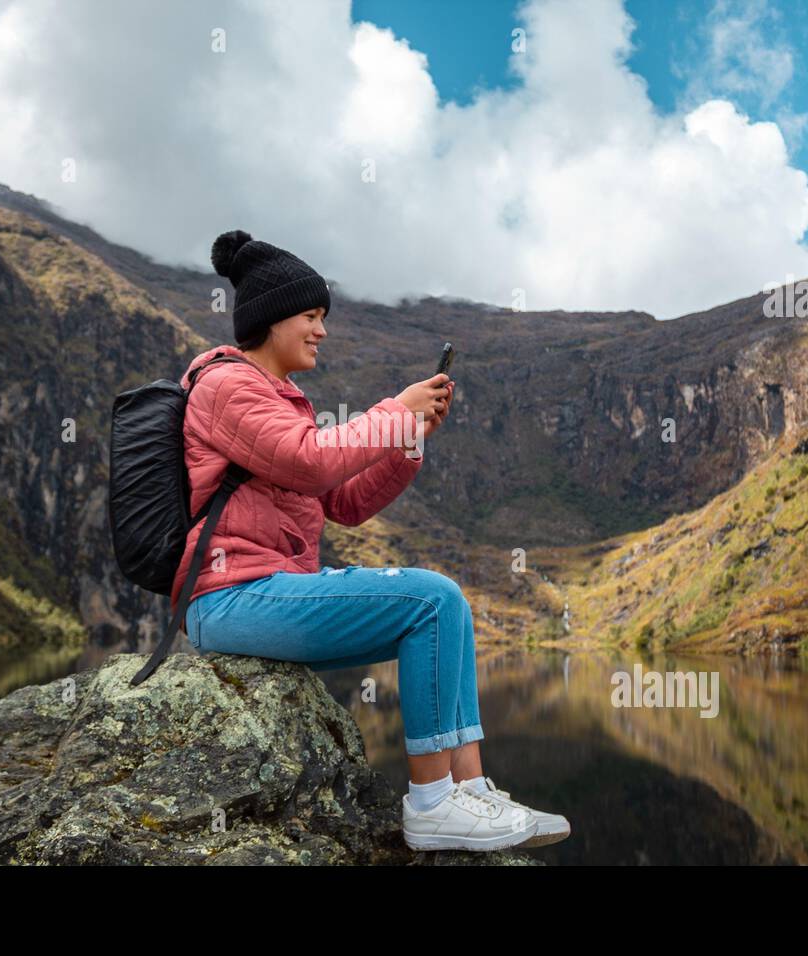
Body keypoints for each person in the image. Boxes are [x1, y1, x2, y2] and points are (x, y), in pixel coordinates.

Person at [172, 229, 570, 852]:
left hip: (270, 591)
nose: (321, 330)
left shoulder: (281, 398)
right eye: (311, 315)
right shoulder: (227, 387)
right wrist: (394, 410)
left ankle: (470, 791)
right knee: (429, 600)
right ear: (272, 320)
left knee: (449, 604)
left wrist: (410, 438)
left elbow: (345, 503)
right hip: (229, 598)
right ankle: (433, 804)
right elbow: (311, 463)